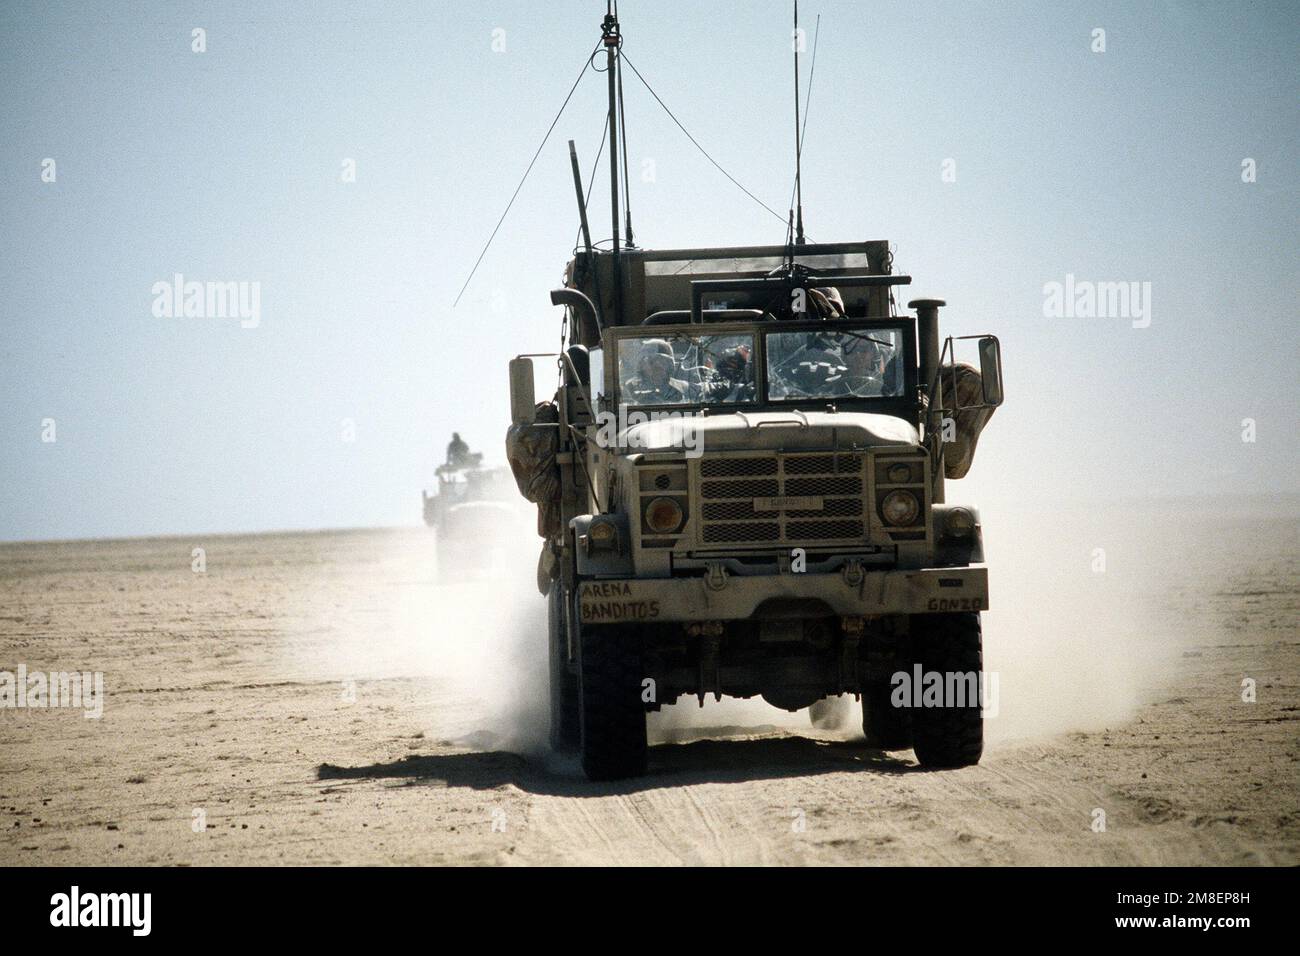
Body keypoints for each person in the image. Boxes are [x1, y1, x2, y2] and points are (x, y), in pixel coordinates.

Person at [622, 339, 692, 403]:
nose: (657, 367)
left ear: (671, 366)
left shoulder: (684, 388)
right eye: (651, 361)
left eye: (663, 361)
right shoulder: (629, 390)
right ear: (641, 365)